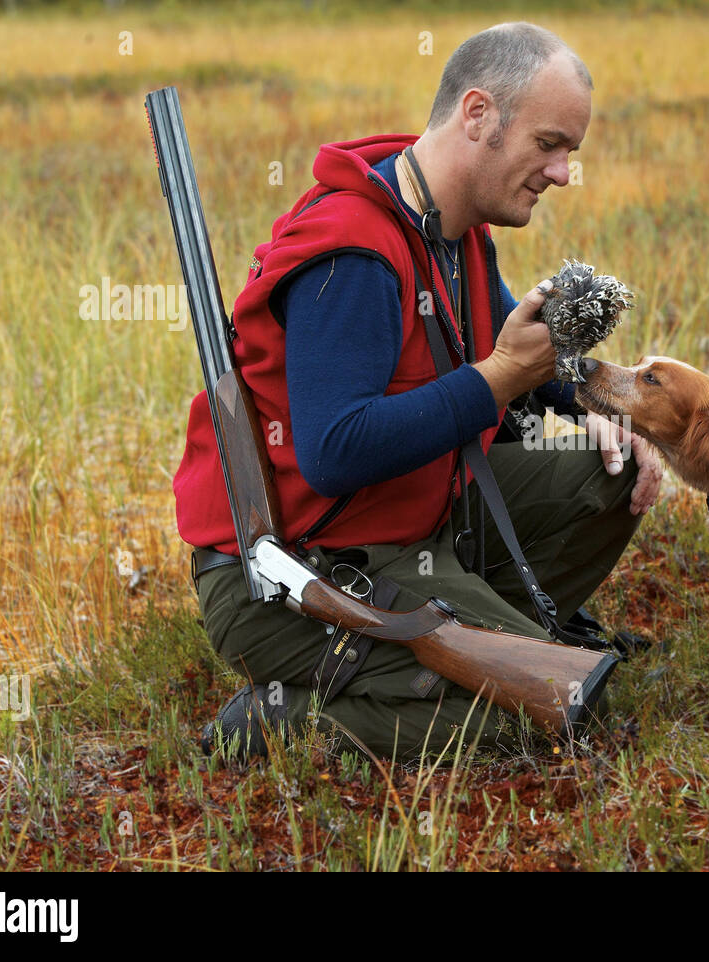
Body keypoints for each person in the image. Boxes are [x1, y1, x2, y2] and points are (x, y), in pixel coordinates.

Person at [172, 22, 663, 760]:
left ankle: (486, 632)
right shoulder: (353, 255)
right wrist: (498, 380)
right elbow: (335, 452)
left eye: (570, 153)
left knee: (606, 474)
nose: (562, 173)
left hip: (418, 525)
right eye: (549, 144)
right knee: (544, 714)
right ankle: (282, 721)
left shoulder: (453, 228)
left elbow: (513, 355)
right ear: (477, 115)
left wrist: (600, 412)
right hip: (303, 570)